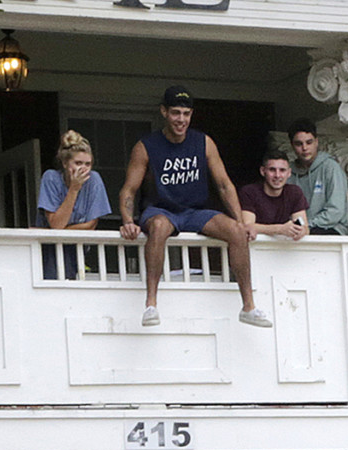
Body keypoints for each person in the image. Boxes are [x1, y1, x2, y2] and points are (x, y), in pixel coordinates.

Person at [116, 85, 273, 329]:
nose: (181, 119)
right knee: (157, 227)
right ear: (164, 112)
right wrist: (127, 220)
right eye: (176, 113)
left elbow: (223, 184)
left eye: (186, 114)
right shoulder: (146, 146)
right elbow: (129, 190)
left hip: (196, 211)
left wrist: (241, 221)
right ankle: (151, 304)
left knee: (235, 231)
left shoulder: (203, 142)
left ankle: (248, 307)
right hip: (162, 209)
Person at [37, 131, 112, 231]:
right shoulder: (51, 178)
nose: (83, 168)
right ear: (65, 163)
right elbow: (56, 224)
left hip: (81, 245)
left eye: (88, 164)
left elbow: (90, 225)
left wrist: (62, 230)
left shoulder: (93, 179)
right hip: (50, 245)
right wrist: (74, 189)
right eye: (78, 163)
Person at [286, 120, 348, 235]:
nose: (304, 148)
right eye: (299, 144)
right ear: (292, 145)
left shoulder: (330, 167)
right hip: (298, 230)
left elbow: (335, 211)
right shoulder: (288, 172)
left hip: (331, 229)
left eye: (309, 142)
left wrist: (307, 225)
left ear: (316, 142)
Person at [237, 148, 309, 240]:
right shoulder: (249, 192)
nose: (277, 175)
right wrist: (280, 229)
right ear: (263, 171)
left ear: (289, 173)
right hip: (255, 248)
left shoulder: (295, 192)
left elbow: (305, 227)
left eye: (282, 170)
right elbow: (247, 226)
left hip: (285, 249)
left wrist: (300, 231)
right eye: (272, 170)